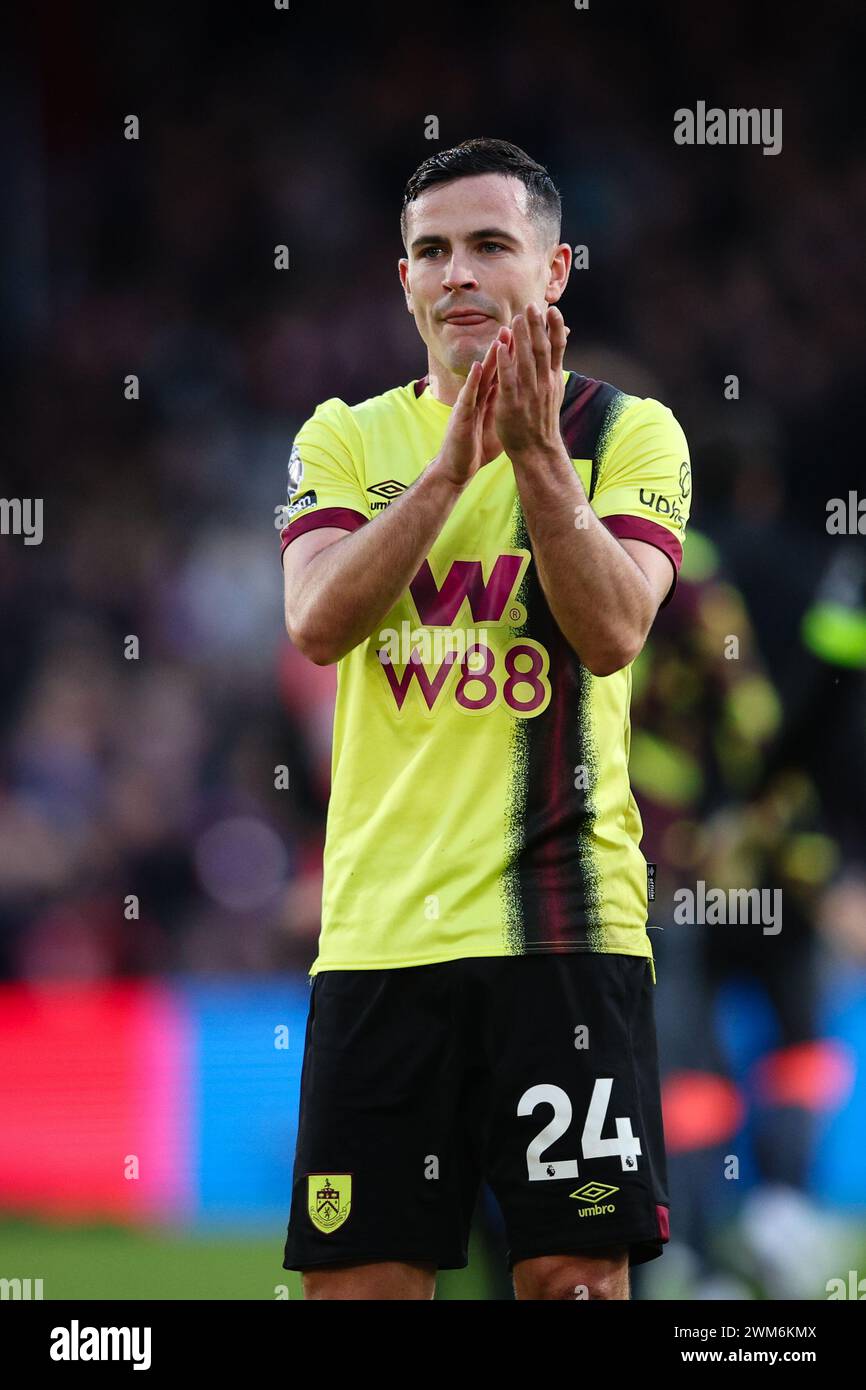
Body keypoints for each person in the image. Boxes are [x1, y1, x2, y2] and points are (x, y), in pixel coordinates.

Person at [277, 137, 691, 1300]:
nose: (456, 273)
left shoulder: (631, 434)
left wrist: (533, 455)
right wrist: (452, 470)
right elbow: (317, 621)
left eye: (488, 246)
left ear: (553, 269)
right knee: (362, 1290)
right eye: (430, 251)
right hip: (380, 935)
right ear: (401, 279)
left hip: (563, 927)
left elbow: (612, 630)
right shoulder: (344, 438)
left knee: (572, 1281)